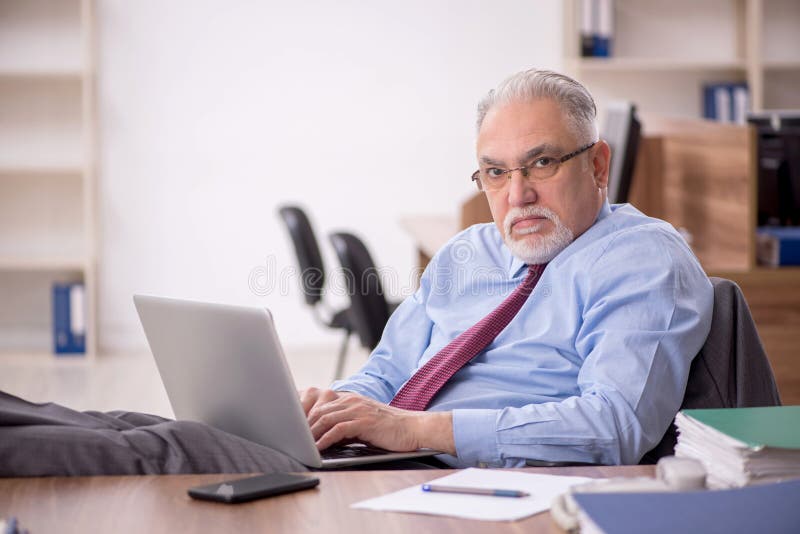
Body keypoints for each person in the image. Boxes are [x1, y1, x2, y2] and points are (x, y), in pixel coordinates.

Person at [0, 68, 712, 476]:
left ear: (597, 163)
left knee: (161, 452)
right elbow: (389, 369)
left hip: (449, 475)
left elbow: (614, 424)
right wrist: (334, 409)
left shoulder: (642, 260)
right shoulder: (469, 253)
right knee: (119, 423)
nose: (516, 194)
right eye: (495, 172)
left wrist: (416, 431)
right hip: (379, 455)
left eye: (541, 164)